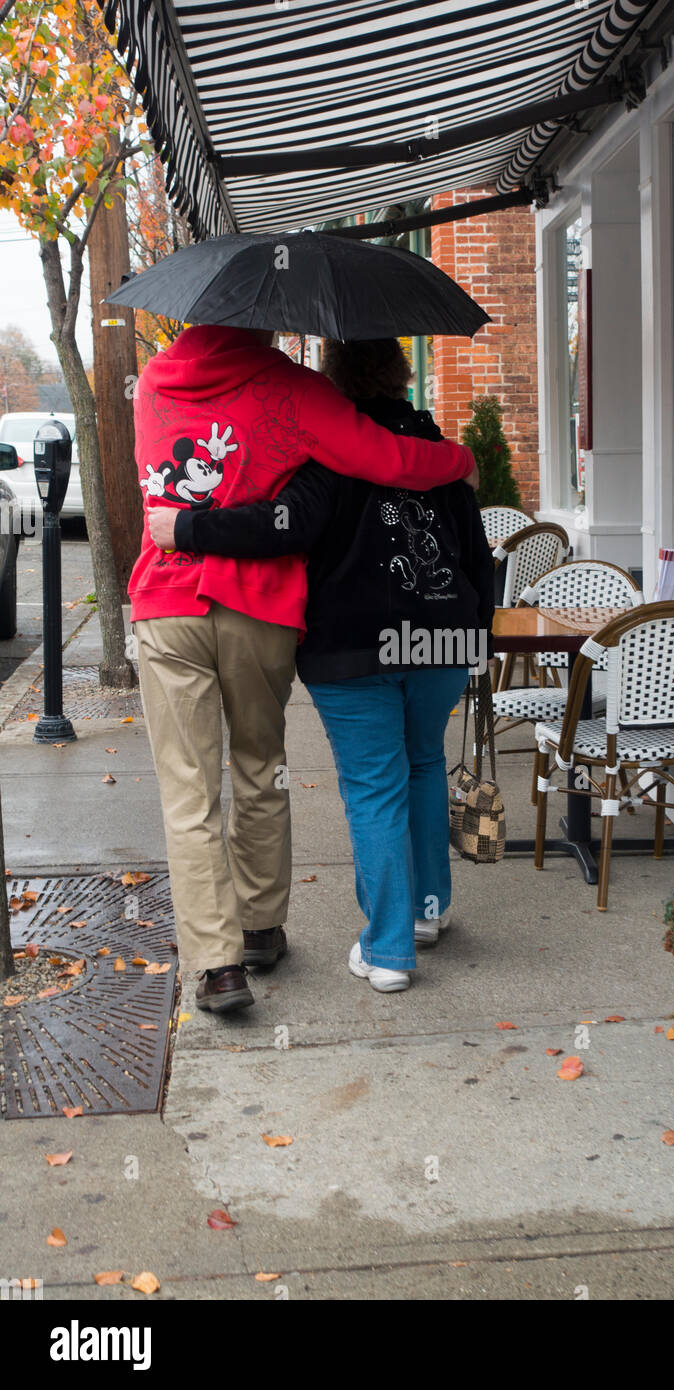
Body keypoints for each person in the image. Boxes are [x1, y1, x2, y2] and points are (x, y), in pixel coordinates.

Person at [131, 325, 477, 1014]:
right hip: (256, 607)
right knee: (261, 768)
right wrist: (459, 457)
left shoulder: (151, 383)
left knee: (188, 795)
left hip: (165, 601)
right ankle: (261, 928)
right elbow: (385, 457)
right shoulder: (295, 389)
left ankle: (217, 966)